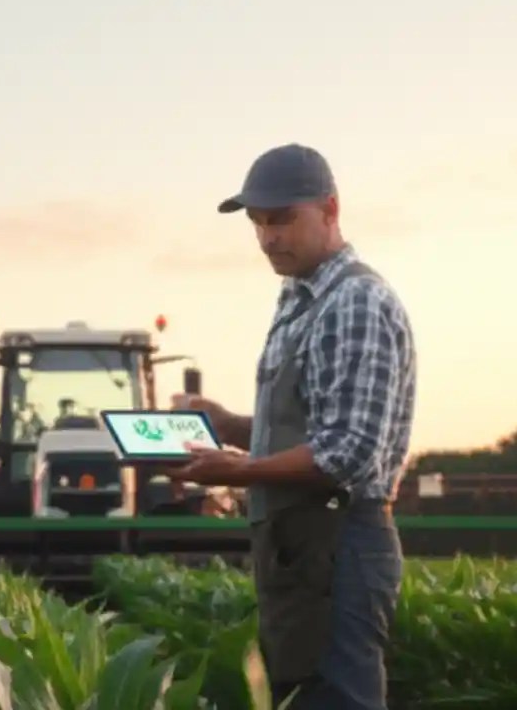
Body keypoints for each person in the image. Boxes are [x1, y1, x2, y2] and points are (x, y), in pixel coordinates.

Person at [164, 143, 417, 710]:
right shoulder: (299, 299)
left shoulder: (354, 300)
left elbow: (347, 451)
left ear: (330, 209)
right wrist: (228, 426)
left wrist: (242, 471)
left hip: (340, 543)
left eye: (282, 219)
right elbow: (317, 422)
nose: (267, 237)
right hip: (300, 547)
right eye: (257, 223)